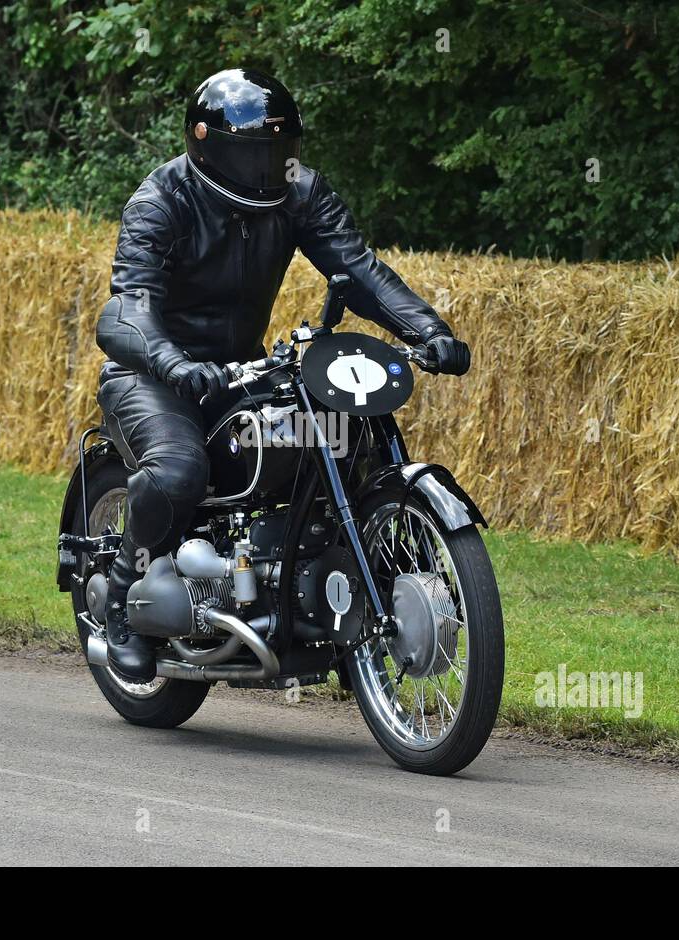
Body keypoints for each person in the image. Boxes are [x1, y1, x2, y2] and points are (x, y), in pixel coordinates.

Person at [95, 68, 471, 682]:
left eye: (279, 152)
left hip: (242, 365)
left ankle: (340, 609)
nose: (268, 168)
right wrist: (175, 364)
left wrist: (428, 331)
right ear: (207, 145)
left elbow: (358, 270)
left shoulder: (298, 193)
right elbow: (126, 309)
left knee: (342, 441)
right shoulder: (162, 199)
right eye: (253, 154)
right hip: (154, 371)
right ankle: (120, 595)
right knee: (178, 469)